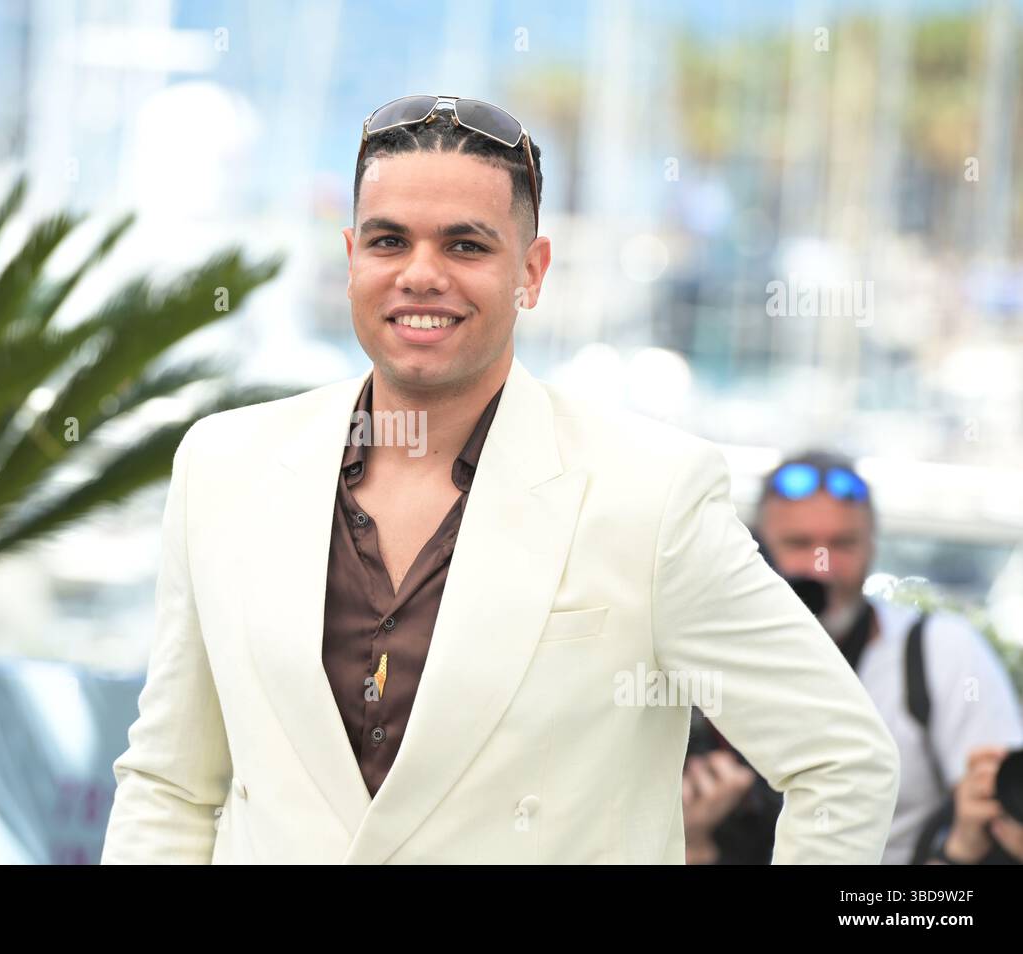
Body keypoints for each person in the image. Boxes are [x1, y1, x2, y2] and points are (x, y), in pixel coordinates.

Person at [100, 95, 898, 864]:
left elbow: (842, 760)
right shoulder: (224, 466)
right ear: (350, 261)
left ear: (532, 271)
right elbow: (171, 785)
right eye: (388, 242)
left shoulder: (650, 495)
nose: (420, 274)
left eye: (465, 246)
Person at [686, 450, 1023, 864]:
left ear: (873, 549)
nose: (822, 567)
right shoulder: (696, 660)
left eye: (843, 544)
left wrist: (969, 842)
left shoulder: (942, 651)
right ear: (753, 552)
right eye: (798, 544)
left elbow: (1007, 807)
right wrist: (690, 843)